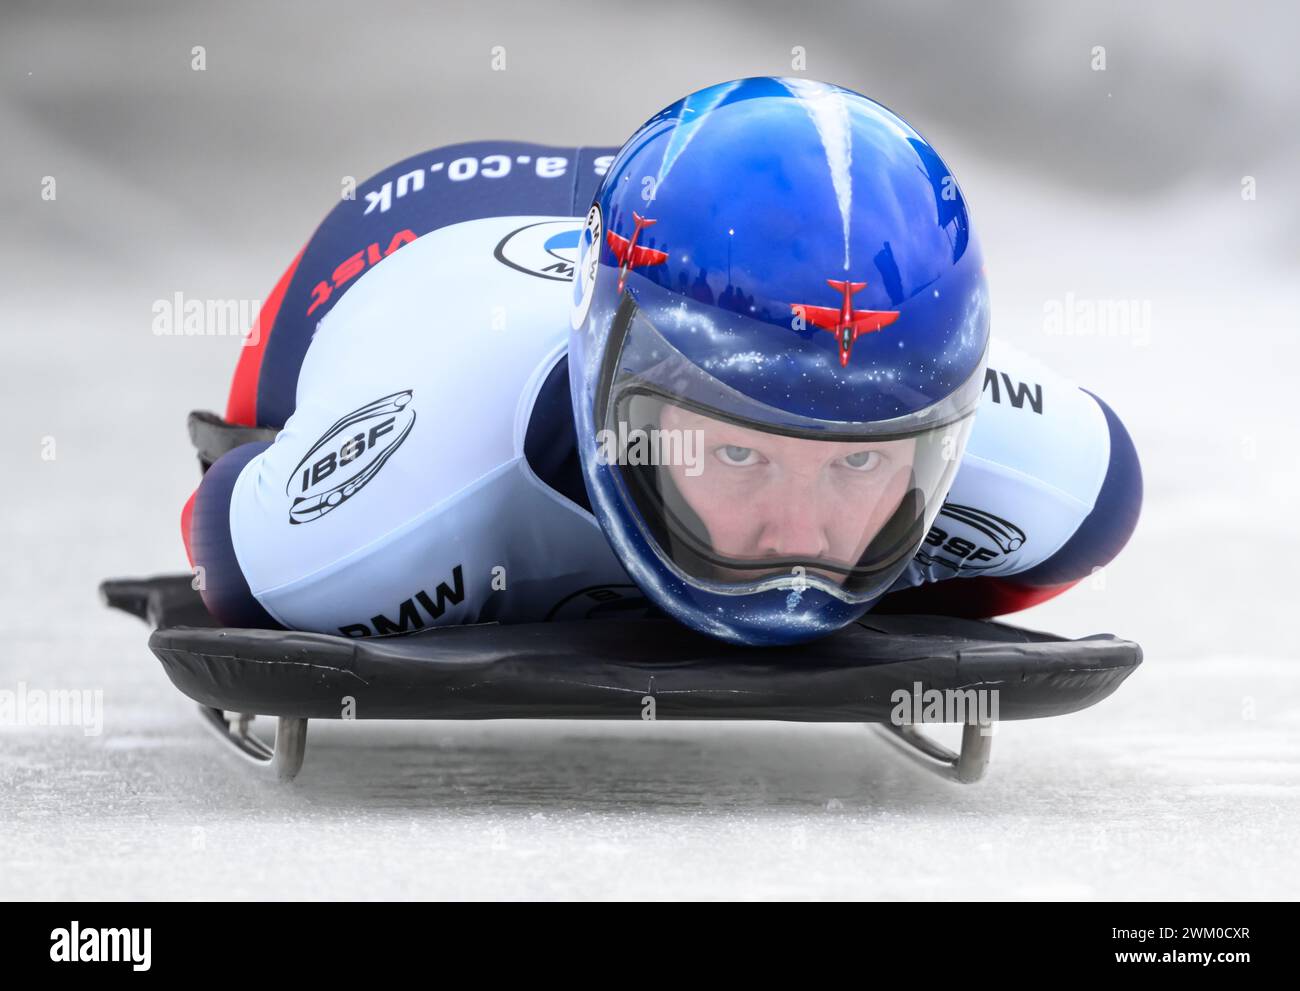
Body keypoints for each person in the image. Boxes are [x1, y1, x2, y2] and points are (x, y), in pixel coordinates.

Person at [183, 77, 1142, 646]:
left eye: (859, 459)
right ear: (613, 394)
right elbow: (225, 526)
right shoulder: (354, 533)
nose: (793, 540)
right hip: (403, 243)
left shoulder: (1056, 478)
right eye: (739, 454)